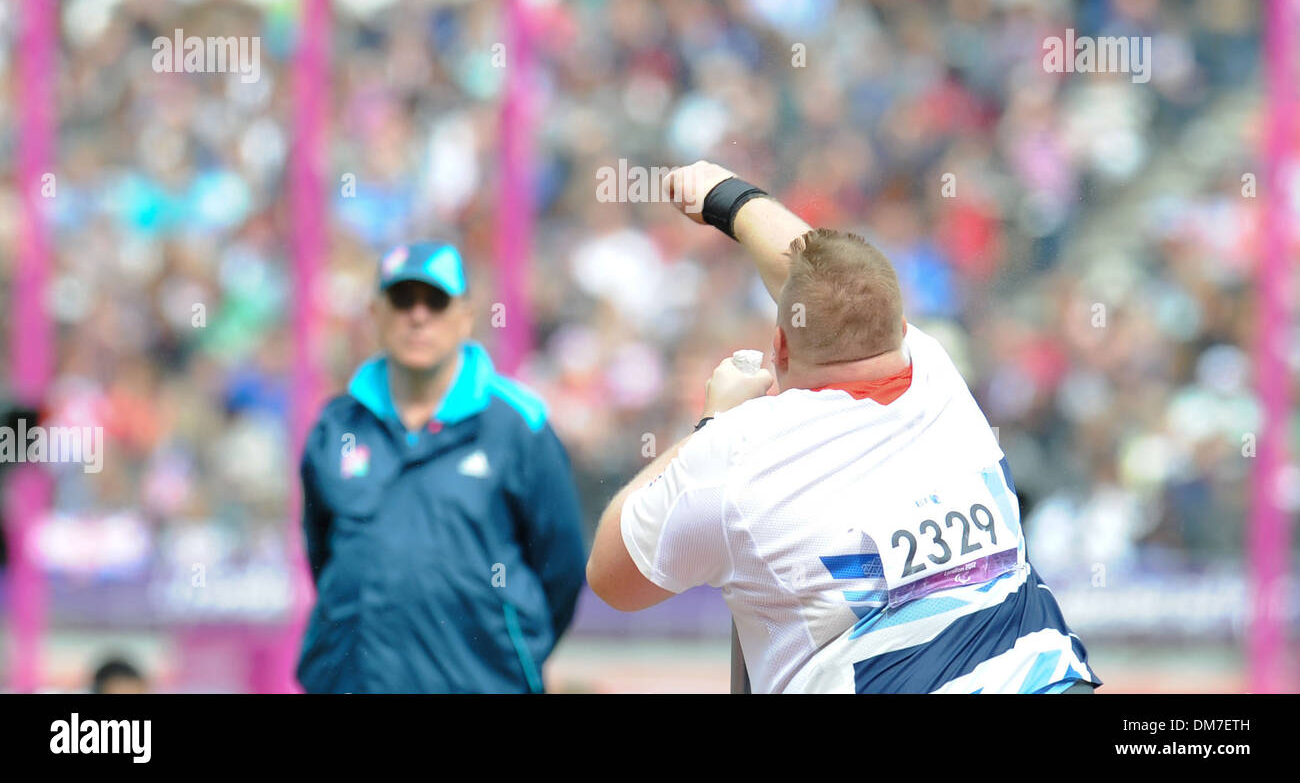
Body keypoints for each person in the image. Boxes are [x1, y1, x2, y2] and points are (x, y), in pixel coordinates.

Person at [587, 161, 1102, 695]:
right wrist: (727, 196)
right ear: (896, 325)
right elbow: (828, 280)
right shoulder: (934, 371)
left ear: (781, 346)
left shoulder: (739, 449)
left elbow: (614, 578)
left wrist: (712, 425)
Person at [297, 240, 587, 693]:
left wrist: (511, 650)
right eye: (402, 299)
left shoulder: (517, 426)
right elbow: (324, 553)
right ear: (376, 313)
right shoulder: (336, 427)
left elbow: (562, 567)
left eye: (435, 301)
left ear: (465, 316)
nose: (418, 315)